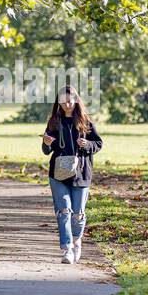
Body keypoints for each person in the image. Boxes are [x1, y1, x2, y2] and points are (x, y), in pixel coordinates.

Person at [41, 85, 103, 264]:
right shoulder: (54, 121)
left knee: (78, 214)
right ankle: (67, 249)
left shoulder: (86, 122)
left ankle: (77, 240)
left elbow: (98, 143)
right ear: (58, 102)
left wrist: (87, 145)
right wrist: (46, 143)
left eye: (70, 100)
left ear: (76, 100)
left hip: (81, 173)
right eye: (63, 101)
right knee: (64, 211)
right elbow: (46, 150)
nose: (67, 104)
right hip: (58, 174)